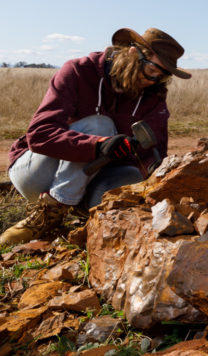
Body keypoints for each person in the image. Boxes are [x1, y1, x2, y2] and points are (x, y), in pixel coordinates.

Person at [1, 28, 191, 246]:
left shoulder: (153, 95)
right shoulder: (78, 71)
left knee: (133, 179)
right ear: (131, 53)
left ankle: (84, 214)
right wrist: (97, 145)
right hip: (36, 175)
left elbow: (153, 153)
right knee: (100, 125)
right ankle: (48, 213)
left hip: (90, 179)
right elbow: (39, 134)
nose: (154, 80)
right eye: (151, 70)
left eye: (163, 76)